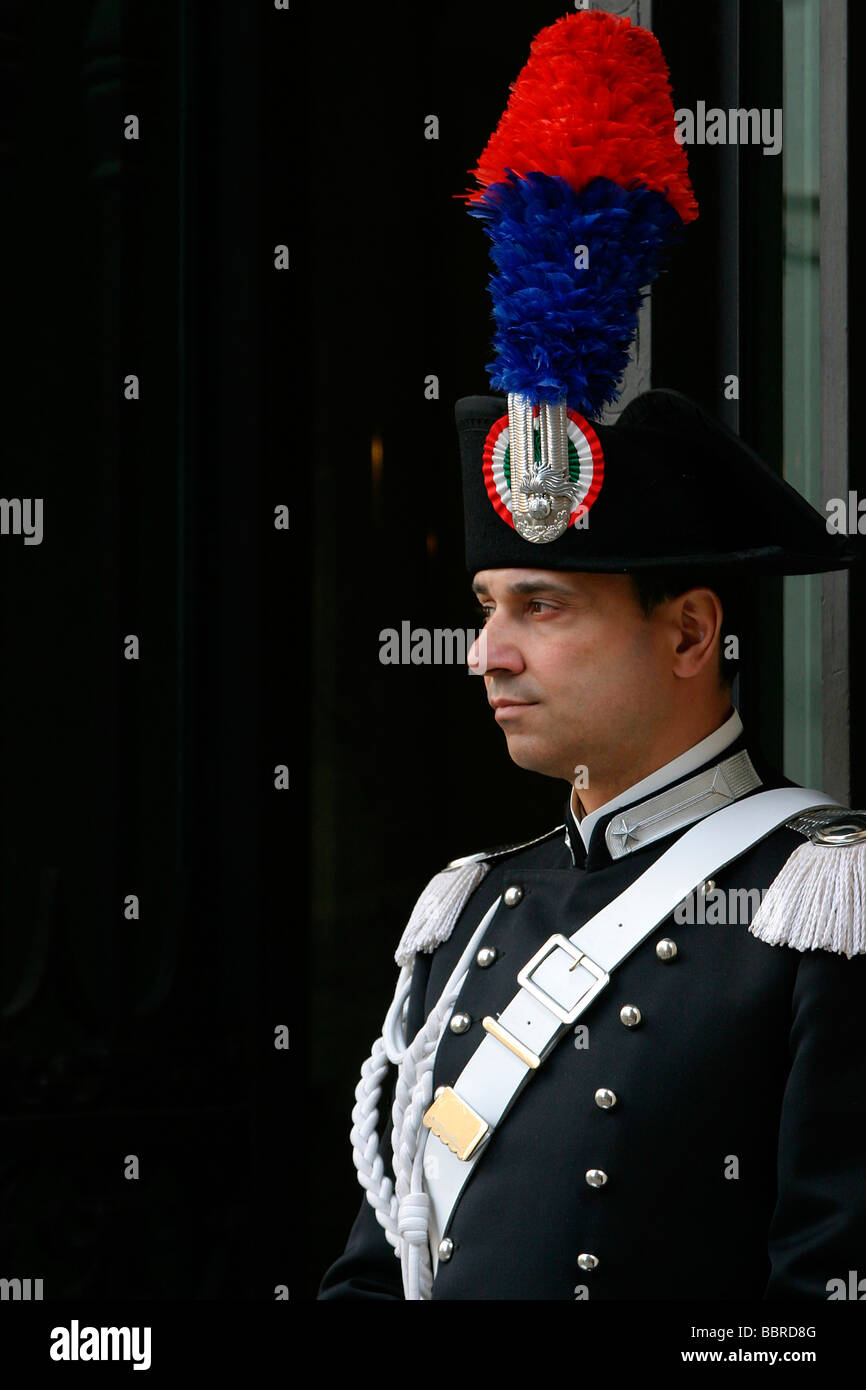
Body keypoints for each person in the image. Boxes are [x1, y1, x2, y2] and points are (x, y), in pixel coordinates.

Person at [317, 11, 865, 1301]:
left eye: (542, 607)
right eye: (488, 604)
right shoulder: (469, 913)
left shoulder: (818, 915)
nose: (487, 654)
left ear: (689, 631)